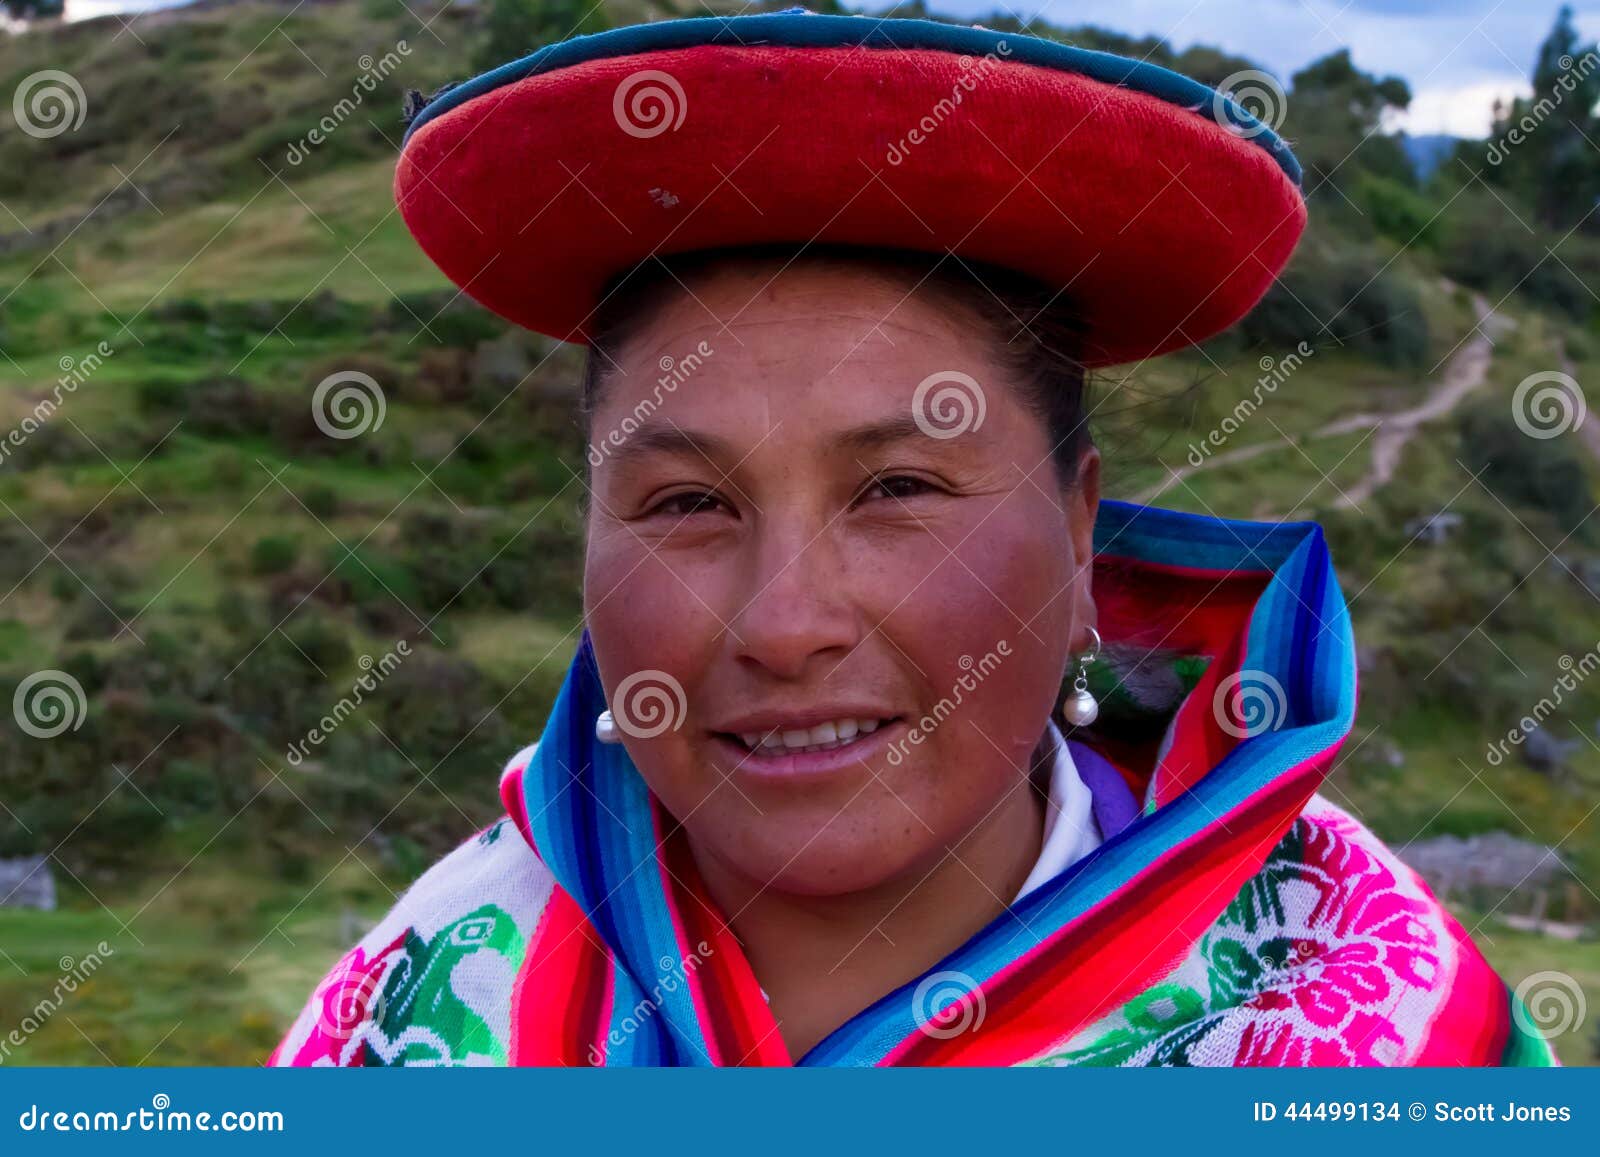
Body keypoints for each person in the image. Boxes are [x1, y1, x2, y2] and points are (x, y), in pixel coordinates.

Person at [270, 9, 1556, 1067]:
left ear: (1075, 528)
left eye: (896, 488)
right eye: (687, 503)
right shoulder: (417, 1012)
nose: (783, 623)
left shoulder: (1384, 1032)